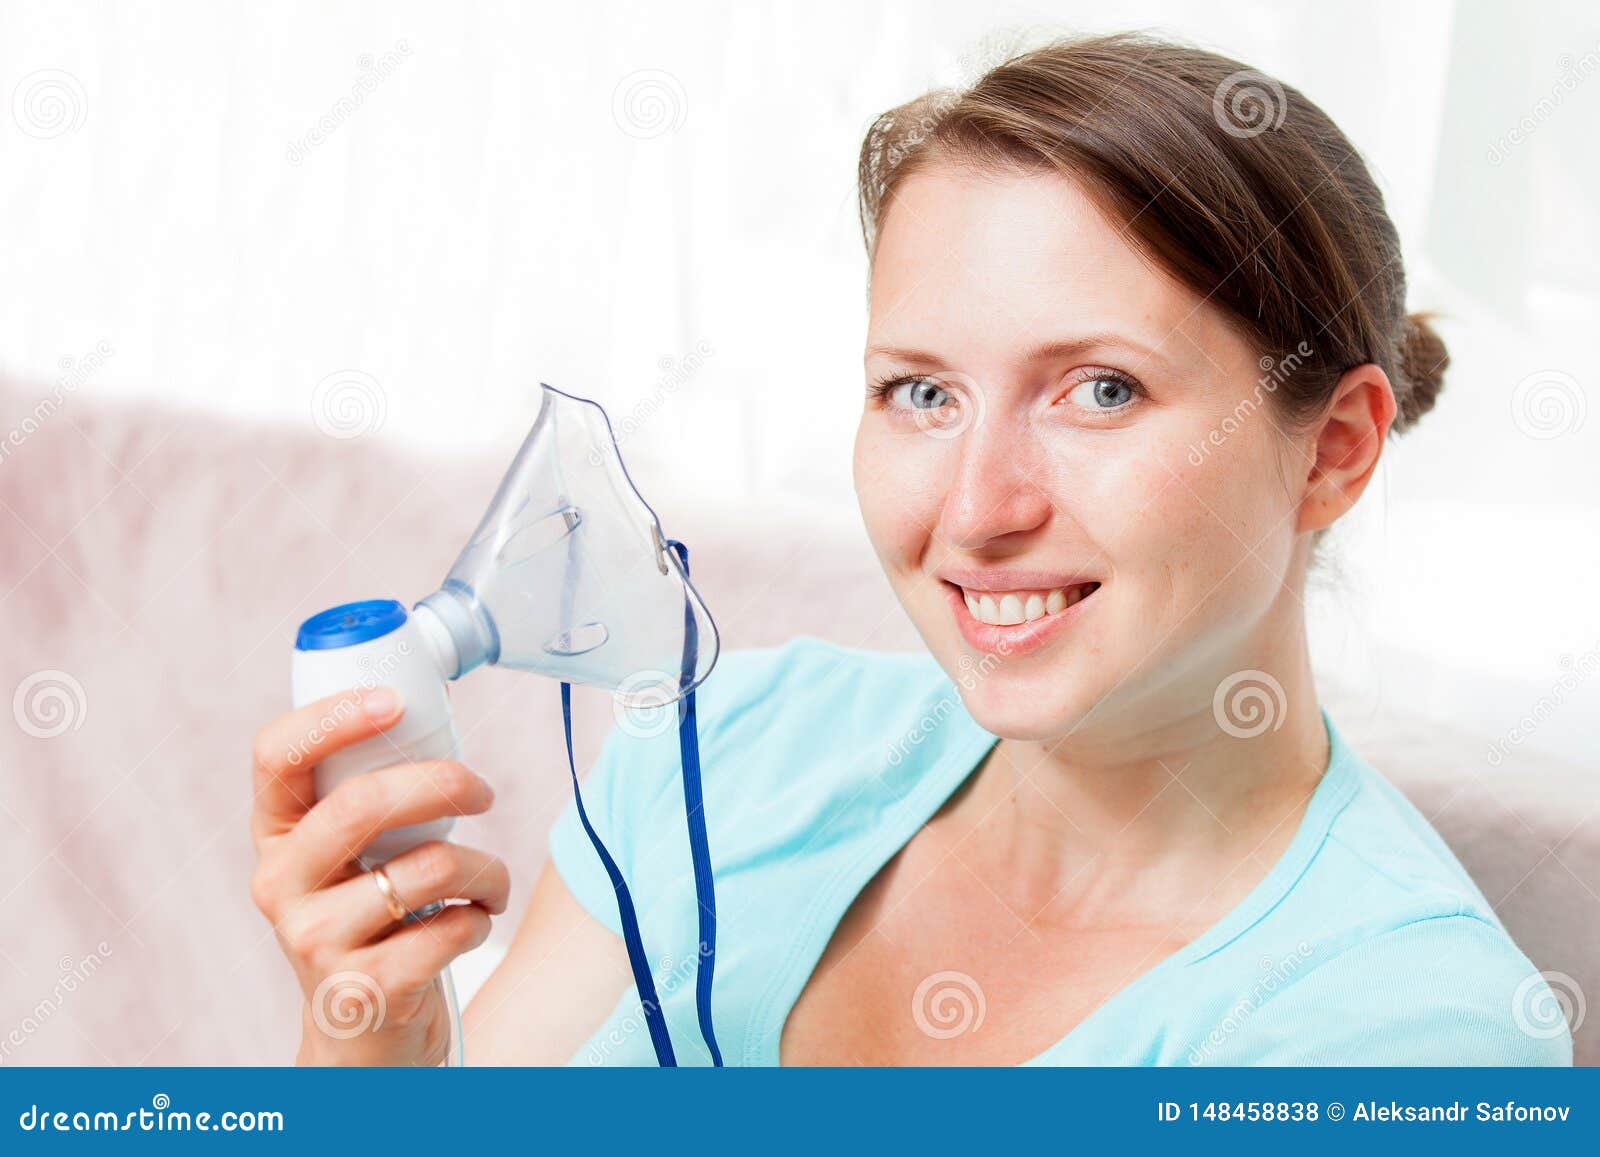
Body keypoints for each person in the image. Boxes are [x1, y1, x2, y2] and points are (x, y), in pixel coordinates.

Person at [248, 32, 1573, 1066]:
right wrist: (374, 1048)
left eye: (1099, 389)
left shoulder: (1399, 1037)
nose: (977, 507)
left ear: (1334, 448)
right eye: (922, 393)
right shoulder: (736, 749)